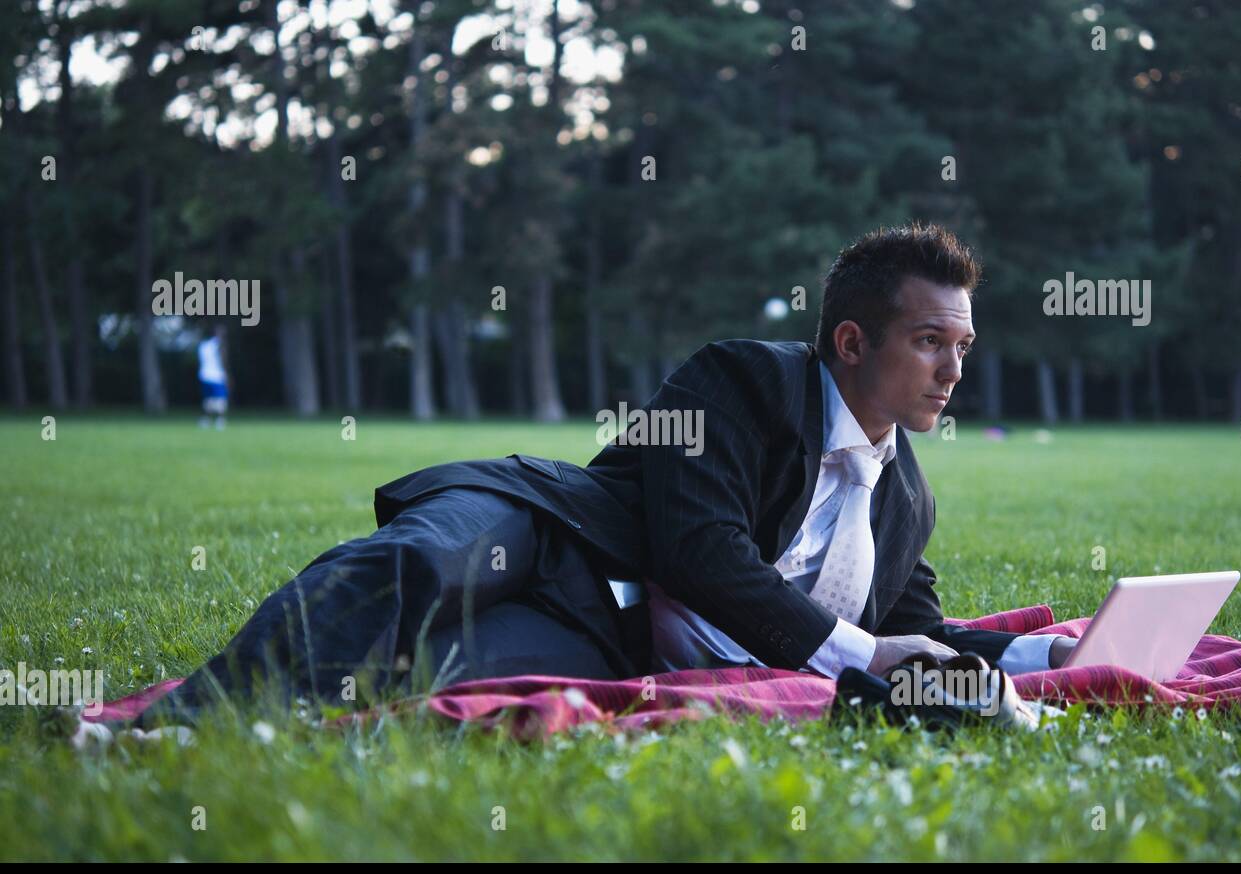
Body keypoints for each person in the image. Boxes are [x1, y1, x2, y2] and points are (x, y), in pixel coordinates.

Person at [132, 223, 1078, 730]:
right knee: (417, 570)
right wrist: (865, 656)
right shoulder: (740, 379)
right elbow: (699, 551)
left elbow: (911, 632)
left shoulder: (905, 494)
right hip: (550, 530)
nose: (954, 370)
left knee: (432, 677)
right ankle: (179, 723)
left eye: (962, 345)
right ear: (849, 340)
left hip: (605, 629)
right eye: (929, 343)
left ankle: (278, 715)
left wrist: (1045, 661)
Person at [197, 323, 229, 430]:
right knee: (220, 400)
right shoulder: (220, 345)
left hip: (205, 375)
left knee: (208, 400)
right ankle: (220, 421)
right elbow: (223, 361)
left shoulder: (204, 345)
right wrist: (227, 375)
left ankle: (206, 420)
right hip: (217, 376)